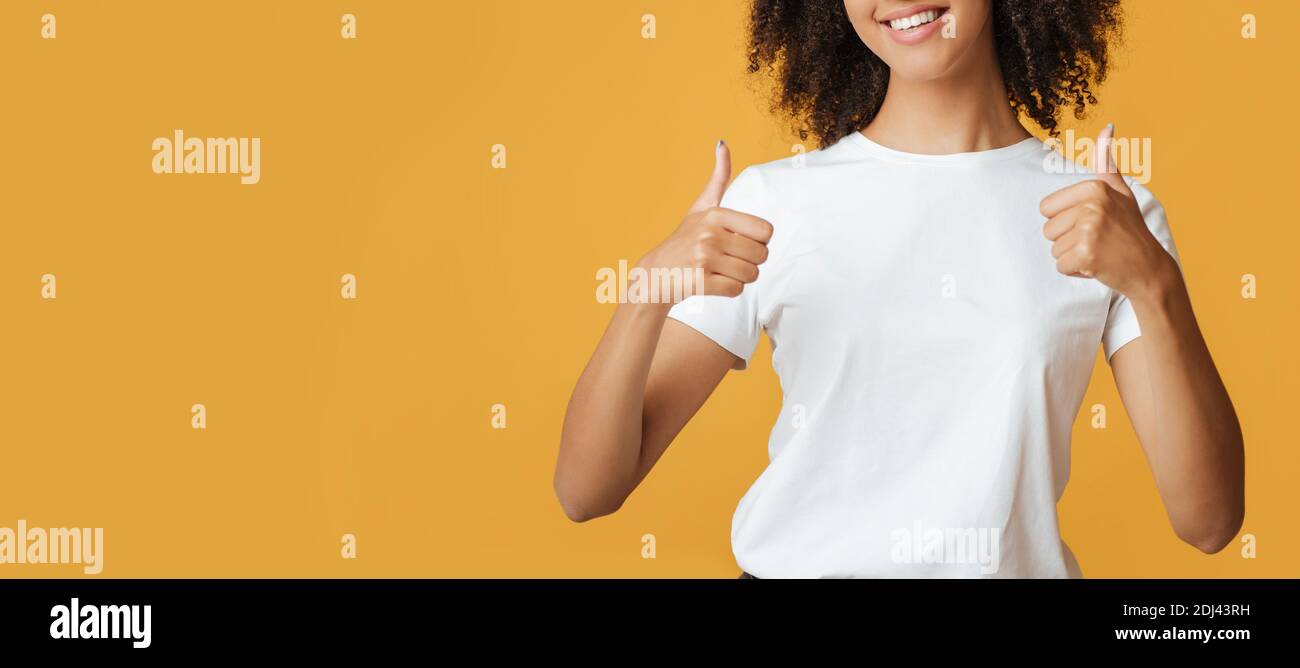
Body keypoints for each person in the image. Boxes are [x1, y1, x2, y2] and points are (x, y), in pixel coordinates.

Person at [554, 0, 1244, 578]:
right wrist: (646, 293)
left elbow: (1210, 523)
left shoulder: (1107, 214)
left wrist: (1156, 284)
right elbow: (587, 491)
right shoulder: (773, 202)